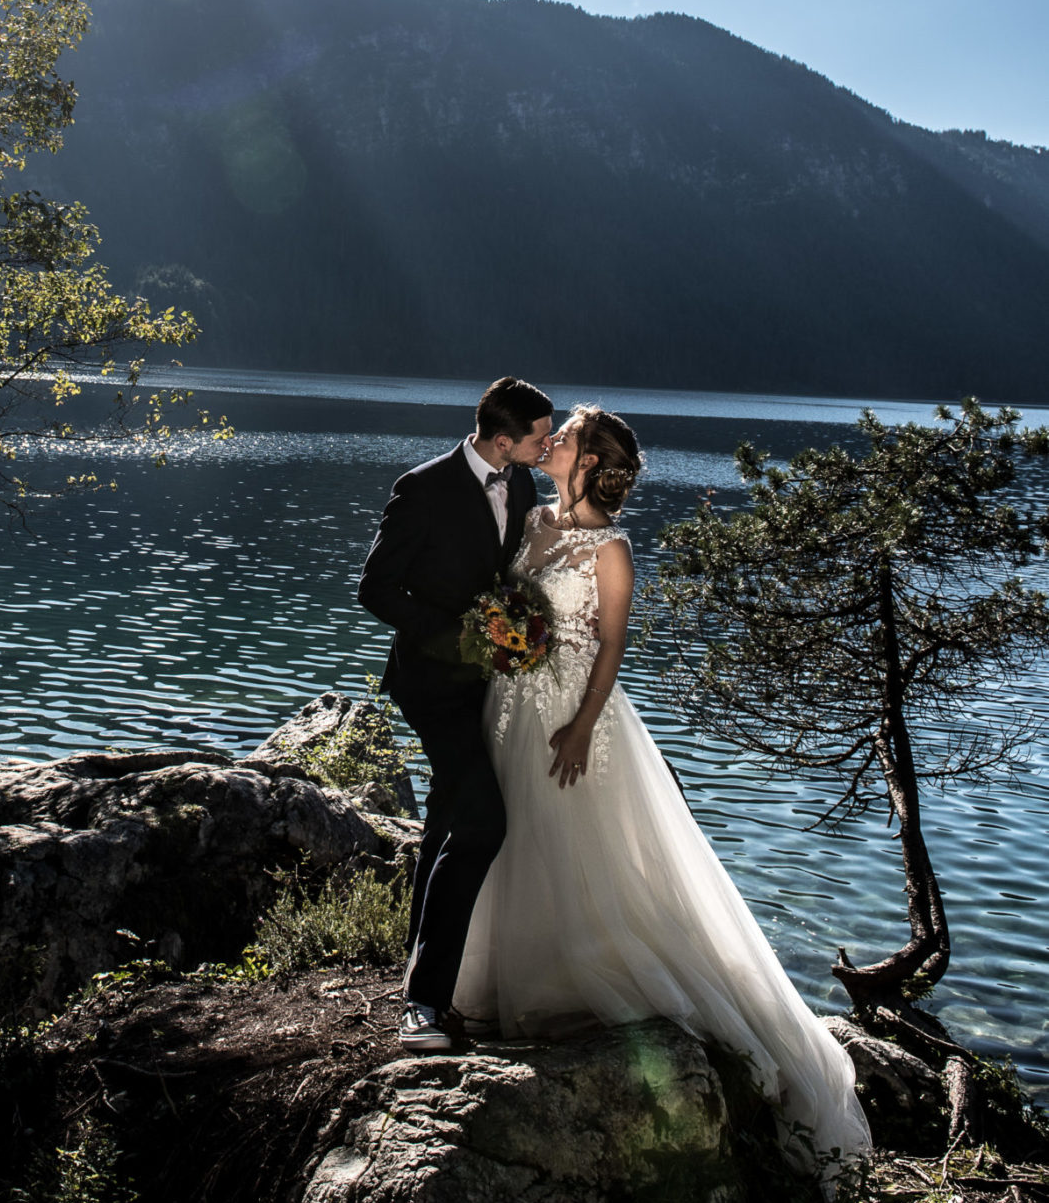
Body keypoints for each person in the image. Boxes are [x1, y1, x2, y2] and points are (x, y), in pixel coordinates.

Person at [453, 403, 871, 1163]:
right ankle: (500, 973)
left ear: (588, 461)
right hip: (510, 703)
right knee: (514, 832)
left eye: (567, 437)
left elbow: (611, 644)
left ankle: (582, 975)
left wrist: (581, 724)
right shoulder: (534, 520)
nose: (552, 443)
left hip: (577, 716)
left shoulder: (612, 547)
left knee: (582, 844)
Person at [358, 375, 555, 1052]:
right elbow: (376, 588)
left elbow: (509, 579)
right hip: (431, 680)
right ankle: (423, 1005)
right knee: (482, 820)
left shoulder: (522, 484)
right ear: (504, 440)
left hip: (491, 686)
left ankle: (417, 956)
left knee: (447, 812)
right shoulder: (424, 487)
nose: (547, 445)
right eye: (540, 436)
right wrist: (456, 637)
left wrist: (518, 633)